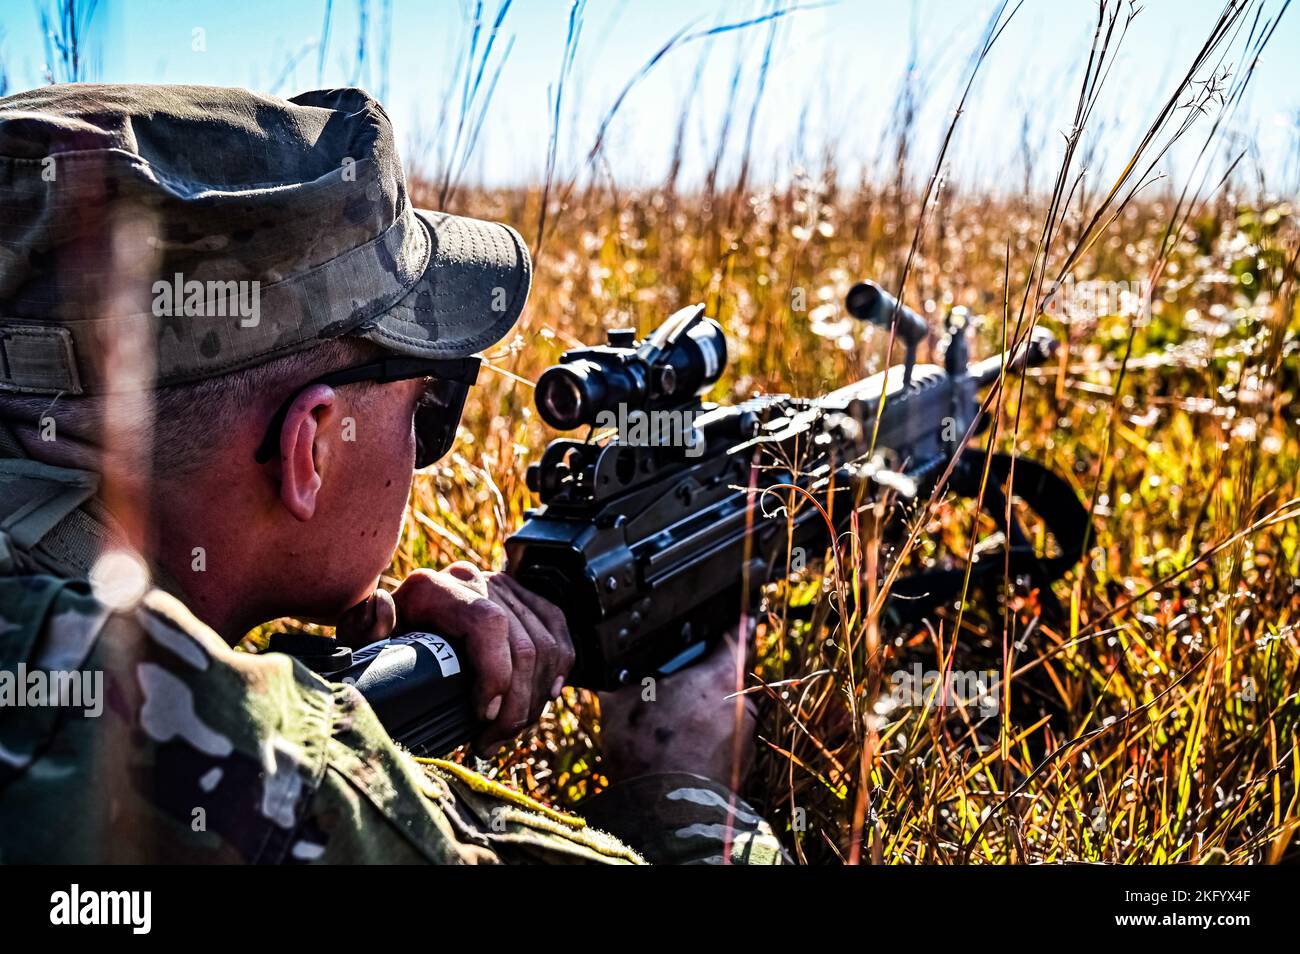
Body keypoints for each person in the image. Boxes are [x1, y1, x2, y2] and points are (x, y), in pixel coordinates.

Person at [0, 83, 784, 864]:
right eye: (431, 405)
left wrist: (351, 683)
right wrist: (688, 779)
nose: (426, 440)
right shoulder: (254, 774)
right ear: (311, 446)